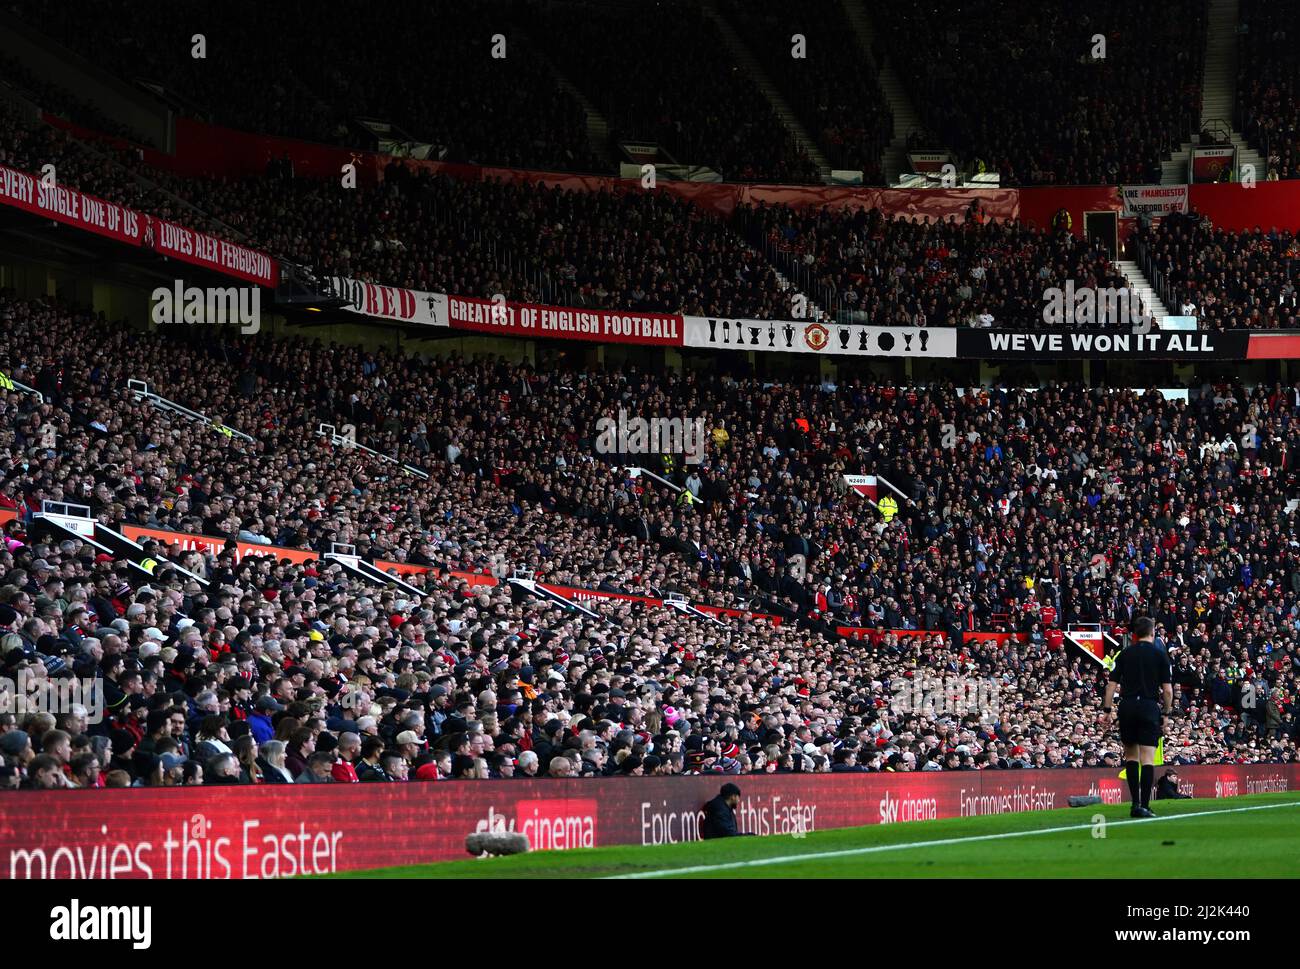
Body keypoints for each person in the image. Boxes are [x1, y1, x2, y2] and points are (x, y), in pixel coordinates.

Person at [1103, 616, 1172, 818]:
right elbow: (1167, 690)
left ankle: (1134, 804)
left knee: (1131, 756)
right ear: (1152, 633)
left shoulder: (1124, 654)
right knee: (1147, 759)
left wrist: (1107, 711)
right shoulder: (1160, 655)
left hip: (1128, 705)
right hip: (1149, 706)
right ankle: (1145, 804)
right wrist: (1166, 713)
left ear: (1135, 634)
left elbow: (1111, 685)